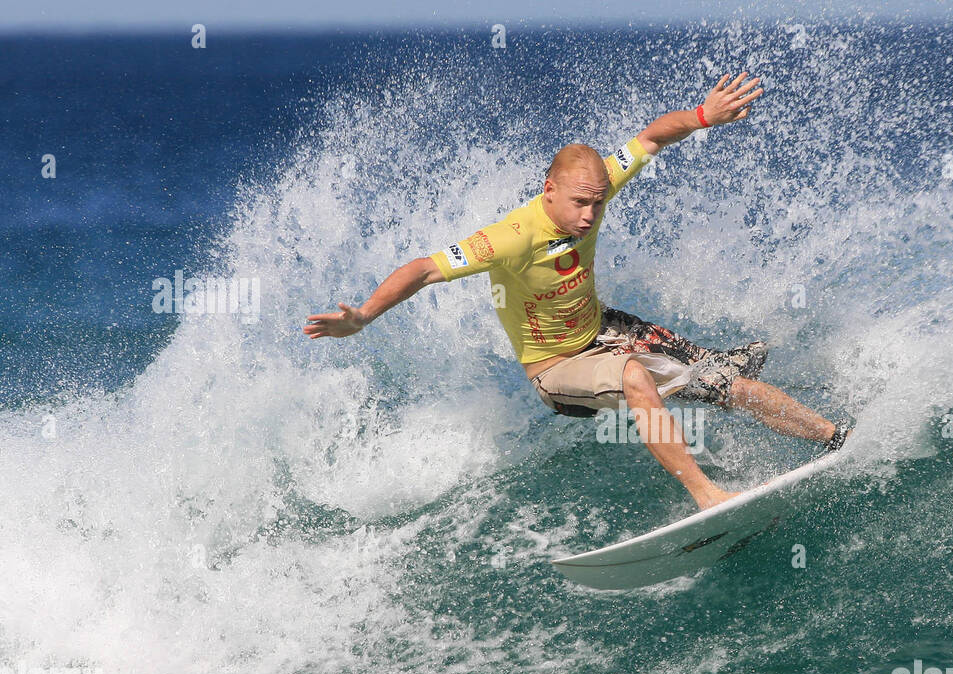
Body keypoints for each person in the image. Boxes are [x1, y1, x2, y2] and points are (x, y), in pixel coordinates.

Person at [305, 72, 851, 509]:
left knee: (725, 381)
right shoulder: (511, 238)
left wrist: (704, 115)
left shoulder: (597, 183)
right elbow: (423, 269)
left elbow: (653, 136)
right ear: (550, 191)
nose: (590, 215)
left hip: (605, 328)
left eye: (597, 202)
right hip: (555, 366)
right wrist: (366, 315)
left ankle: (834, 436)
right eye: (579, 203)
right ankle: (707, 497)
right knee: (637, 378)